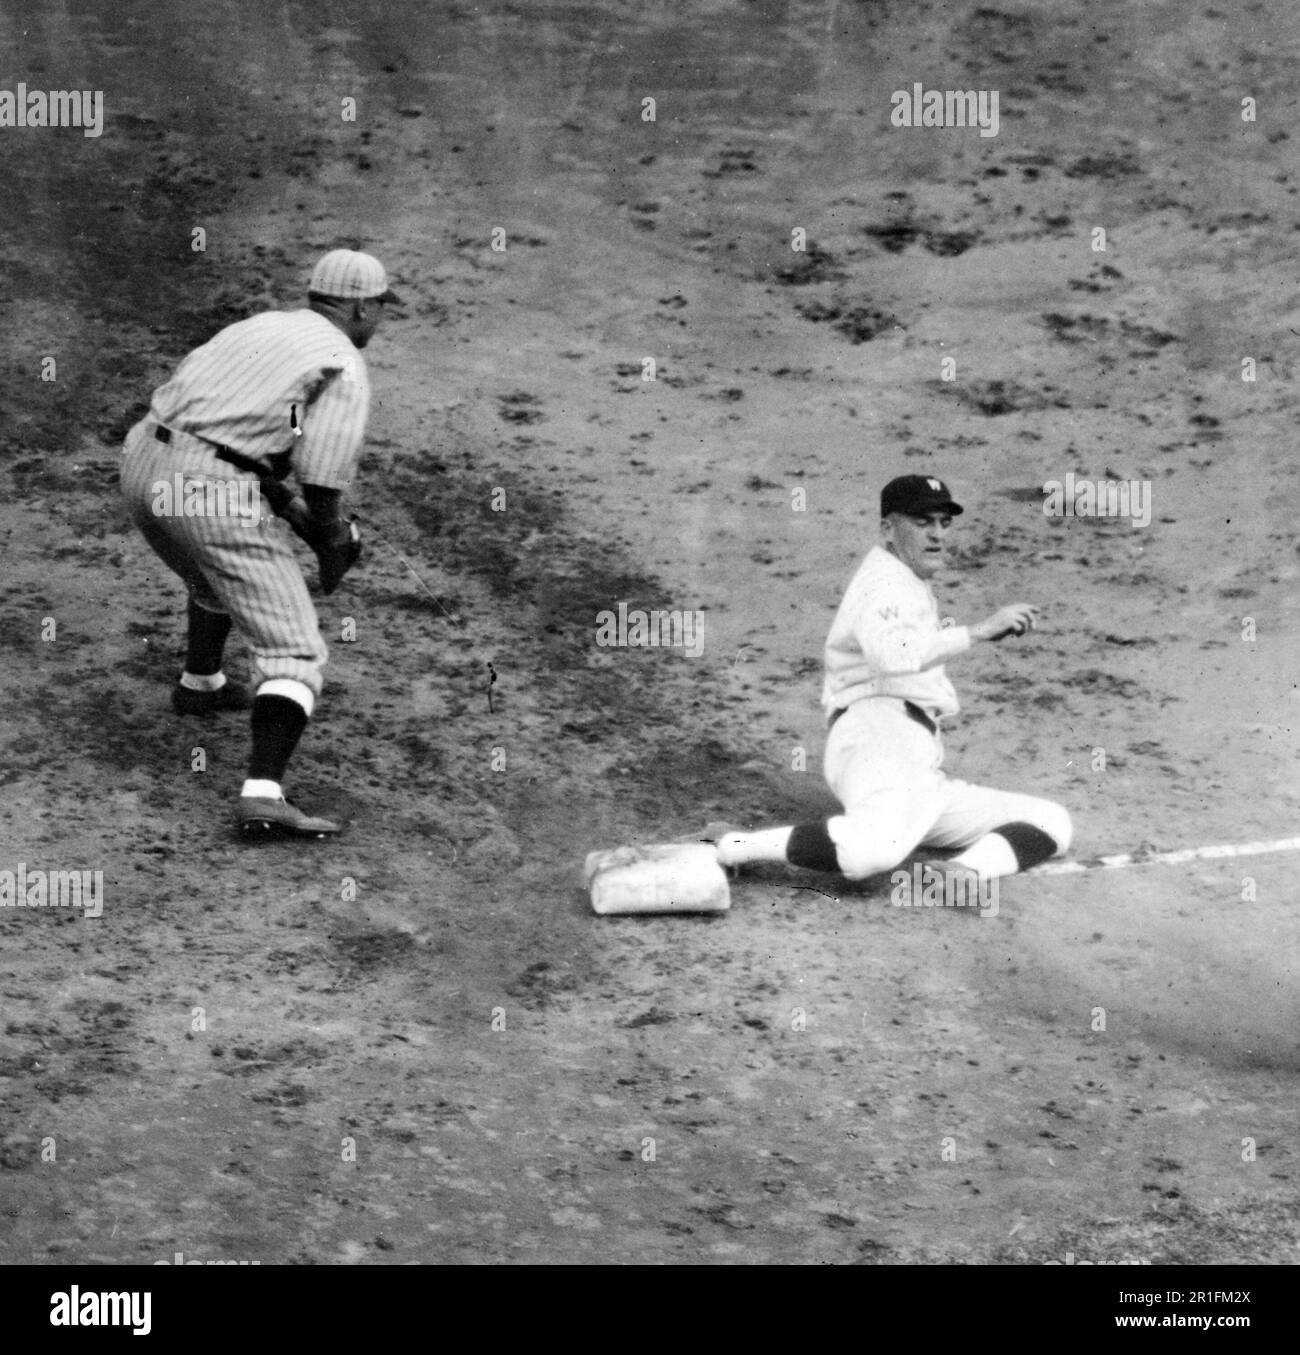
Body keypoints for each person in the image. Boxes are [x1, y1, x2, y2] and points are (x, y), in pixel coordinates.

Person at [119, 248, 399, 838]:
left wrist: (293, 513)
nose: (377, 320)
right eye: (377, 308)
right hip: (208, 487)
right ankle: (263, 795)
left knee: (213, 569)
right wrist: (328, 537)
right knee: (294, 650)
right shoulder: (341, 362)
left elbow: (255, 436)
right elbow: (322, 476)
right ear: (357, 305)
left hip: (143, 463)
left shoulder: (263, 326)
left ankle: (202, 685)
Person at [711, 475, 1073, 890]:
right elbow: (892, 657)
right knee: (872, 852)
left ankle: (964, 875)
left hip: (914, 762)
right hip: (878, 737)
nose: (937, 535)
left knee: (1049, 821)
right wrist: (977, 632)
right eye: (922, 523)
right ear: (888, 529)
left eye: (943, 522)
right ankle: (729, 845)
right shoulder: (883, 585)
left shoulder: (903, 578)